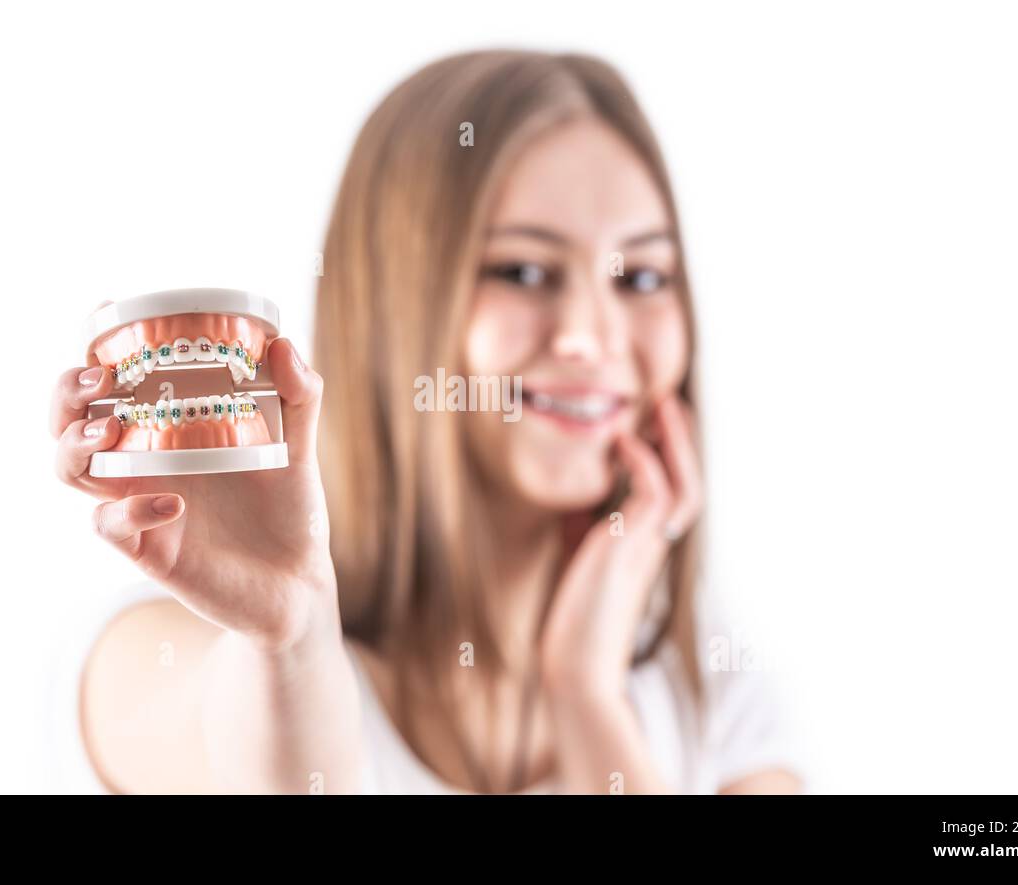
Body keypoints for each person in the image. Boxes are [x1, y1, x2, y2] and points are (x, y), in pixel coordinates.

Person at [49, 49, 805, 794]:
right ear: (393, 306)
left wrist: (586, 696)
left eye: (640, 276)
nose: (595, 337)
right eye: (524, 271)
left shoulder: (706, 681)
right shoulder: (165, 657)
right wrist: (291, 639)